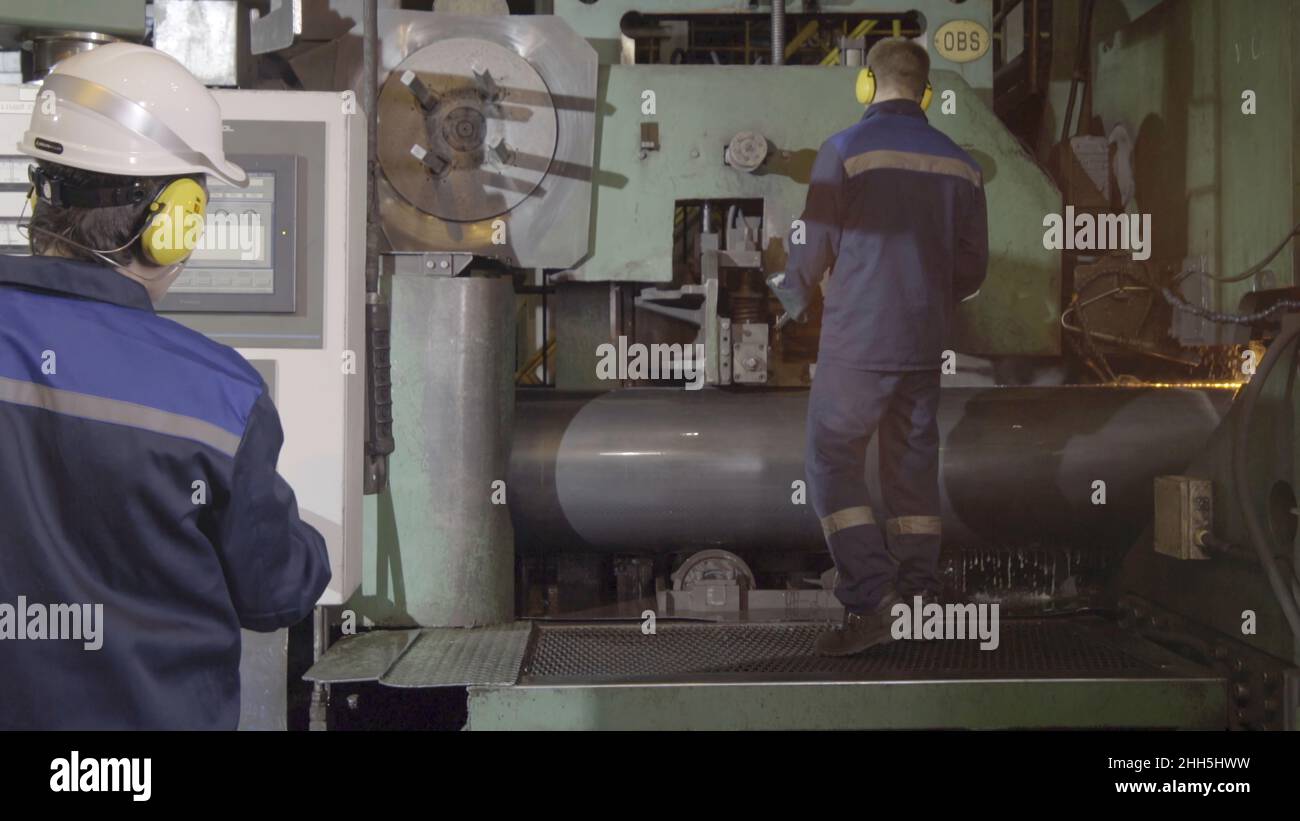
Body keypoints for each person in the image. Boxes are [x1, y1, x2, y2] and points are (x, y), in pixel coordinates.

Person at [0, 43, 330, 728]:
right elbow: (276, 594)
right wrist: (306, 539)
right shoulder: (215, 399)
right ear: (172, 223)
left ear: (37, 195)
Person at [769, 38, 988, 656]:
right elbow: (972, 269)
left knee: (832, 461)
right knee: (911, 470)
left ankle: (873, 598)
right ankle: (918, 599)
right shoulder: (961, 163)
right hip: (923, 344)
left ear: (867, 84)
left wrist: (789, 295)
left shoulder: (844, 150)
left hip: (858, 342)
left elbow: (812, 246)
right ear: (926, 93)